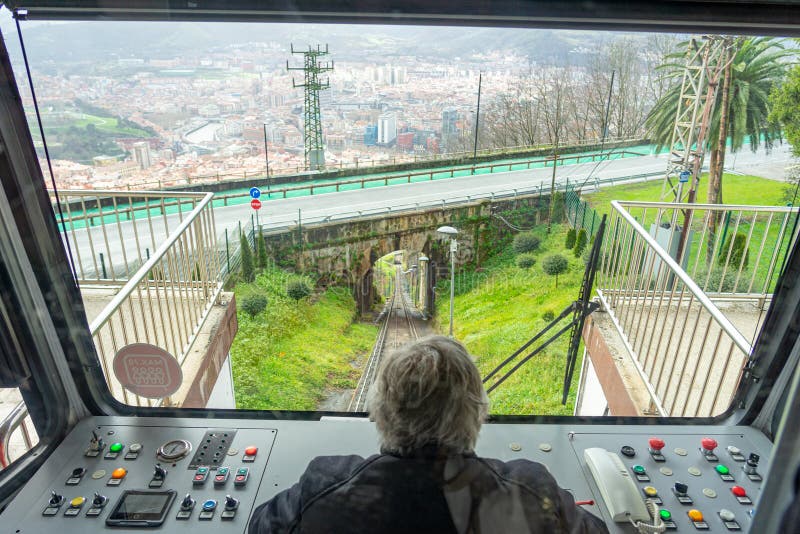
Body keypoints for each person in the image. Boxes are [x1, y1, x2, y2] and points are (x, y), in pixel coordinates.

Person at [248, 335, 608, 533]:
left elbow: (259, 526)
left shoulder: (323, 486)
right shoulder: (531, 492)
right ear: (476, 412)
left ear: (381, 411)